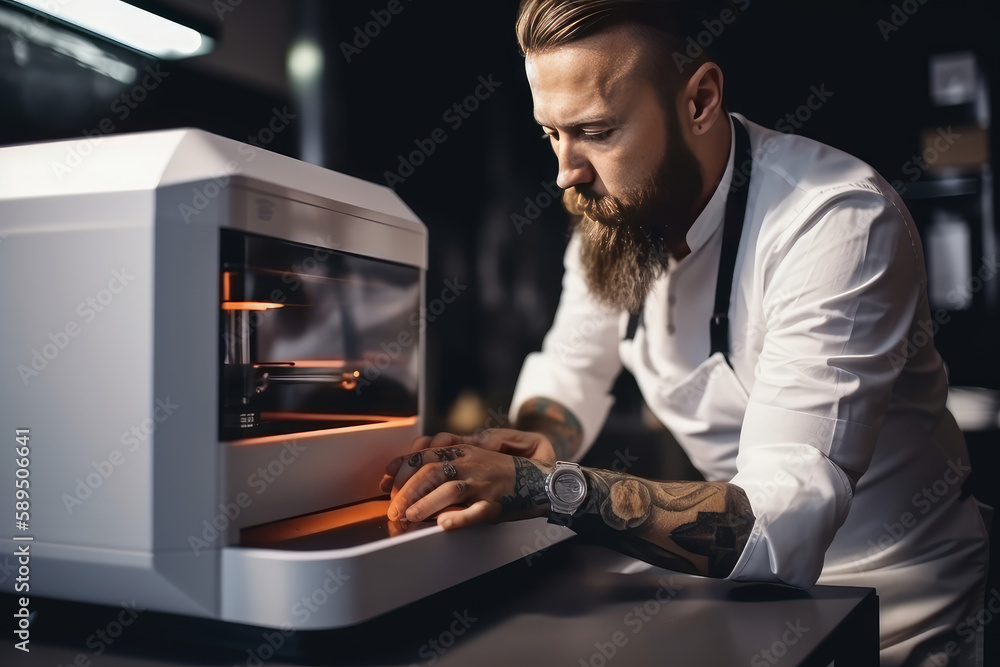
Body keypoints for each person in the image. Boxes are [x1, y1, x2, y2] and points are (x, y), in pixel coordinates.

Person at [380, 1, 990, 664]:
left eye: (596, 131)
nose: (565, 171)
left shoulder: (834, 221)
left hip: (903, 607)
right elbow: (570, 369)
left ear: (699, 99)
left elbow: (787, 523)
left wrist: (542, 486)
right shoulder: (613, 219)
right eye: (552, 134)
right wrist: (537, 440)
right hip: (753, 600)